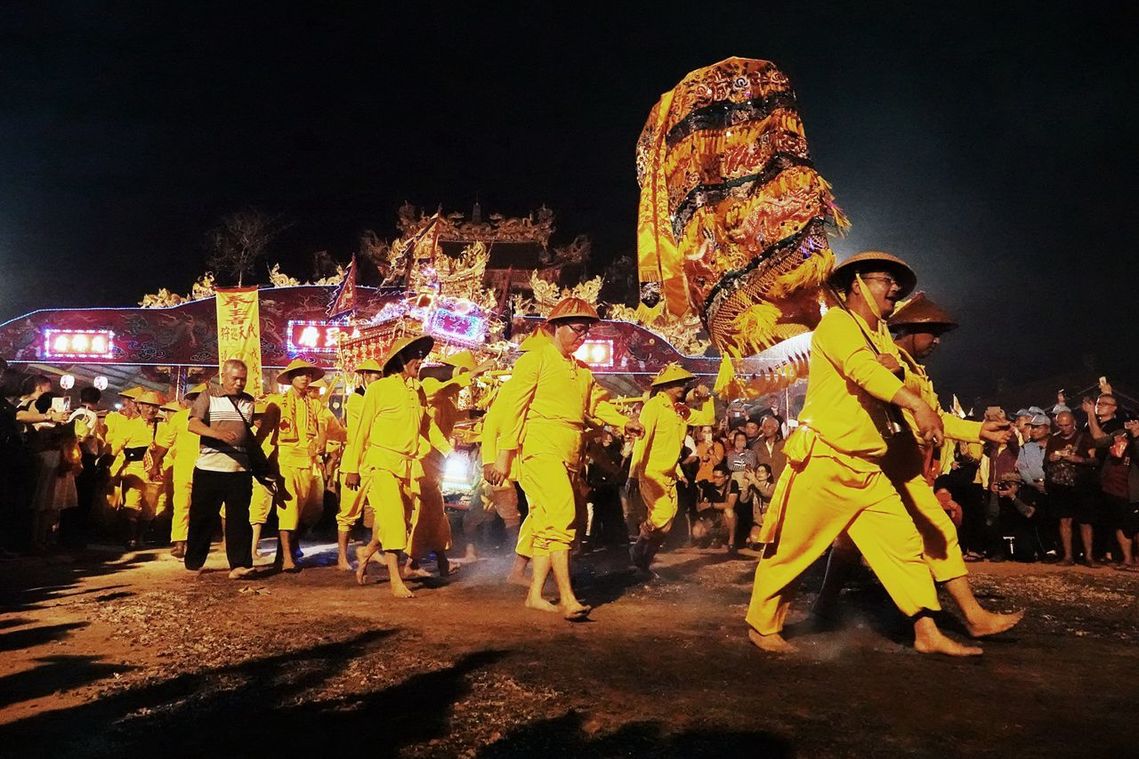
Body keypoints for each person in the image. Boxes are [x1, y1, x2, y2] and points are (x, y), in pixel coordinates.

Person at [746, 251, 980, 656]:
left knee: (905, 545)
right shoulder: (837, 324)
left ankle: (926, 631)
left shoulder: (882, 339)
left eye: (895, 283)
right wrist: (916, 404)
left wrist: (958, 421)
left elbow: (904, 393)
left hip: (867, 468)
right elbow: (863, 371)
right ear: (857, 284)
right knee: (791, 550)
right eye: (884, 280)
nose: (894, 289)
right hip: (824, 460)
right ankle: (762, 624)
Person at [812, 292, 1022, 637]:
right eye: (932, 333)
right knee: (933, 532)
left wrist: (978, 430)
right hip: (885, 465)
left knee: (849, 543)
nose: (937, 341)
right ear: (909, 330)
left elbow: (934, 416)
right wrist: (892, 373)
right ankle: (966, 618)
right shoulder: (886, 358)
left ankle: (823, 608)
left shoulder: (914, 370)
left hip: (896, 466)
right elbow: (880, 389)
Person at [489, 297, 643, 620]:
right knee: (562, 514)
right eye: (577, 329)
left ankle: (534, 594)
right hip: (539, 447)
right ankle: (567, 597)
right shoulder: (535, 361)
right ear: (557, 327)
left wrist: (622, 420)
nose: (582, 336)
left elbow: (594, 407)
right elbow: (513, 408)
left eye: (587, 331)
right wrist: (502, 457)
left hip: (570, 452)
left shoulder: (583, 372)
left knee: (549, 523)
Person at [343, 334, 448, 598]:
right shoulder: (378, 389)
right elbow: (361, 432)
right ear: (400, 360)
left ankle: (366, 553)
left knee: (400, 520)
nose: (419, 361)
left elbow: (427, 426)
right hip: (381, 463)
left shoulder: (418, 390)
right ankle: (394, 580)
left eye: (421, 356)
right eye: (415, 356)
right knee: (392, 519)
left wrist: (447, 449)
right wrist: (354, 467)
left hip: (409, 466)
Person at [406, 351, 491, 578]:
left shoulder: (449, 400)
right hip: (422, 460)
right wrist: (470, 375)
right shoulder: (431, 385)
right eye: (464, 374)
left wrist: (473, 413)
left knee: (434, 513)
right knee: (427, 513)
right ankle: (390, 556)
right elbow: (439, 394)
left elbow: (450, 415)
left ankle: (428, 562)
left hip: (438, 462)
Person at [628, 364, 714, 571]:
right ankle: (637, 548)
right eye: (677, 384)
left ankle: (643, 564)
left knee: (665, 526)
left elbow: (707, 419)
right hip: (651, 473)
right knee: (661, 516)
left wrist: (707, 399)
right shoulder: (653, 407)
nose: (682, 387)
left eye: (683, 383)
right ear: (665, 386)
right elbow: (642, 440)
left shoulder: (680, 411)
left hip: (669, 476)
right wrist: (632, 473)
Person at [185, 359, 262, 579]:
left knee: (239, 519)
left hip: (239, 470)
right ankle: (194, 562)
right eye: (234, 378)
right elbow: (193, 424)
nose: (239, 383)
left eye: (243, 379)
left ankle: (239, 564)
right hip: (209, 468)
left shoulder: (248, 402)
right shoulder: (208, 396)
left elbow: (247, 434)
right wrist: (217, 434)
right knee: (202, 517)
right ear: (223, 376)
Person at [263, 359, 328, 571]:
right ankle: (288, 559)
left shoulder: (315, 404)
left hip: (307, 462)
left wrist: (321, 440)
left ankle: (284, 555)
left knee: (304, 510)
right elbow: (265, 430)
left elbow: (324, 426)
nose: (305, 378)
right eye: (300, 374)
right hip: (285, 460)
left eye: (308, 374)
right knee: (288, 510)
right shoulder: (277, 402)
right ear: (291, 378)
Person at [335, 359, 385, 570]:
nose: (378, 379)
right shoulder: (356, 400)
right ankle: (342, 558)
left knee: (379, 510)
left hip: (373, 462)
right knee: (348, 513)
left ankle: (370, 549)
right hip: (354, 463)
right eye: (375, 376)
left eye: (380, 376)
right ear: (364, 375)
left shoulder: (376, 397)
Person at [108, 390, 168, 549]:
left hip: (154, 470)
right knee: (132, 504)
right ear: (140, 406)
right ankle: (131, 539)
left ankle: (141, 537)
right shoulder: (130, 425)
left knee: (150, 507)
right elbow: (116, 445)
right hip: (133, 470)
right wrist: (108, 462)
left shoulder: (162, 427)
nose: (151, 410)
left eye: (155, 406)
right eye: (148, 406)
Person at [152, 384, 205, 558]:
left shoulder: (213, 417)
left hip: (205, 469)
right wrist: (155, 465)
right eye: (196, 398)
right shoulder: (179, 418)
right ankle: (180, 543)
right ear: (190, 401)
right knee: (181, 506)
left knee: (198, 509)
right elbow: (165, 443)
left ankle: (192, 542)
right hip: (184, 470)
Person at [1044, 410, 1095, 566]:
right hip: (1061, 487)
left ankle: (1089, 556)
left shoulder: (1085, 438)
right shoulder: (1053, 440)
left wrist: (1079, 459)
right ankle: (1068, 556)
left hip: (1081, 485)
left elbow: (1094, 461)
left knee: (1085, 522)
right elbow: (1045, 463)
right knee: (1064, 521)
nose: (1064, 428)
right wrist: (1051, 458)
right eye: (1061, 425)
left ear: (1074, 423)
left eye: (1067, 425)